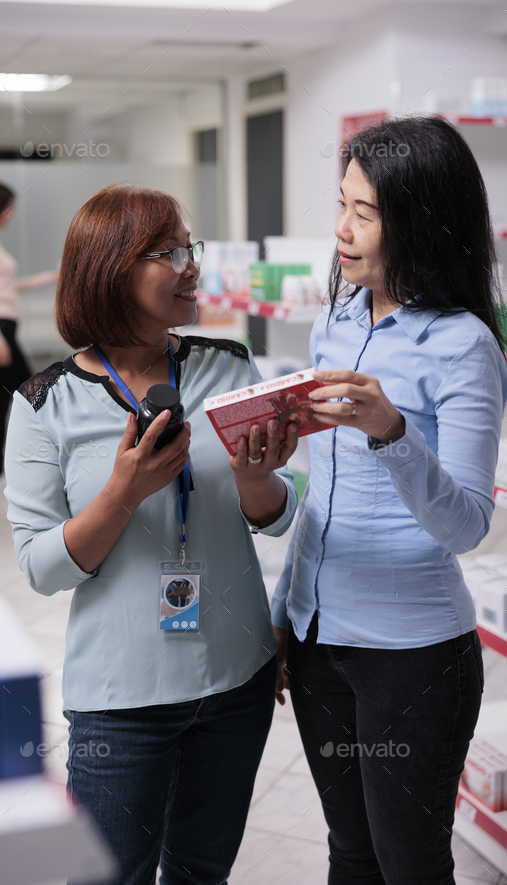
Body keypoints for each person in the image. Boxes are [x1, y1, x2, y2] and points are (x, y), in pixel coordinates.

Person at [4, 182, 300, 885]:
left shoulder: (228, 367)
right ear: (110, 269)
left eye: (188, 247)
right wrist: (123, 491)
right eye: (167, 252)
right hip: (121, 701)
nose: (191, 265)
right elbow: (42, 566)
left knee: (201, 871)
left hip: (237, 679)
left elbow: (282, 513)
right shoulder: (46, 402)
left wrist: (260, 480)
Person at [272, 116, 507, 884]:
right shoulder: (334, 321)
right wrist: (284, 607)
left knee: (408, 864)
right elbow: (324, 493)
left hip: (412, 656)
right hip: (316, 640)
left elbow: (468, 523)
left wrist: (393, 431)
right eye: (340, 205)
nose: (342, 229)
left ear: (420, 219)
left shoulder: (464, 343)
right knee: (350, 852)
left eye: (364, 213)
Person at [0, 181, 57, 481]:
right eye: (8, 208)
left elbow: (8, 287)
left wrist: (51, 277)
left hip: (6, 328)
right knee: (18, 395)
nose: (10, 215)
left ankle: (14, 465)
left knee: (23, 394)